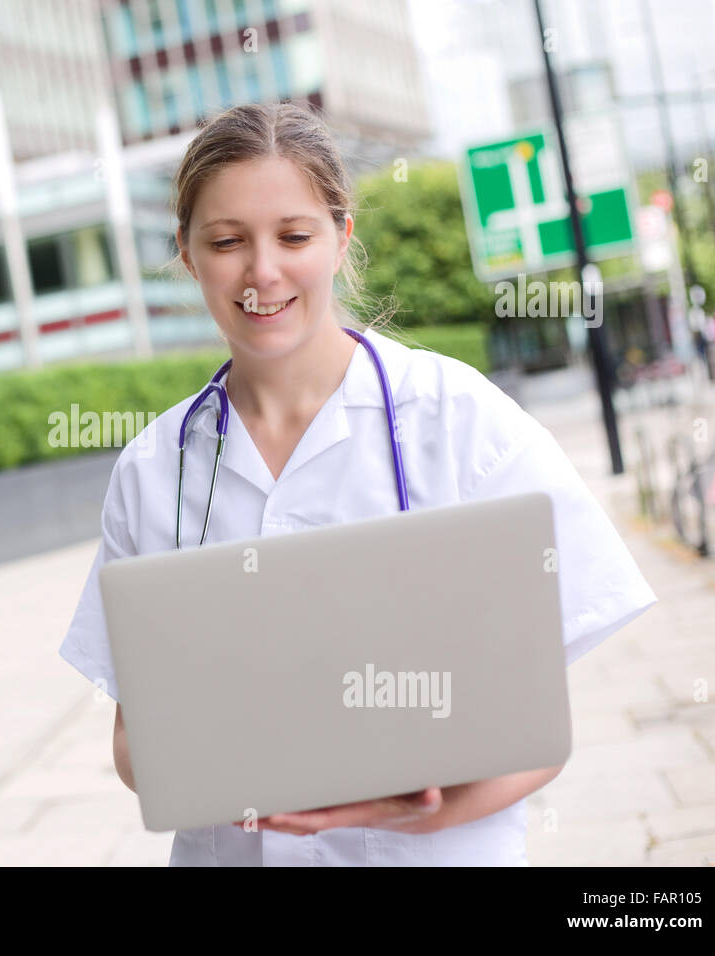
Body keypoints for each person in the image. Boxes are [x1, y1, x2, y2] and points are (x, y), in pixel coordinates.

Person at [57, 102, 658, 866]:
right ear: (188, 253)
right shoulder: (151, 470)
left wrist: (419, 815)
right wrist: (220, 778)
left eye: (294, 236)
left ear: (341, 238)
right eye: (227, 242)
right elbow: (132, 743)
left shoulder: (459, 419)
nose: (262, 271)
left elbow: (539, 730)